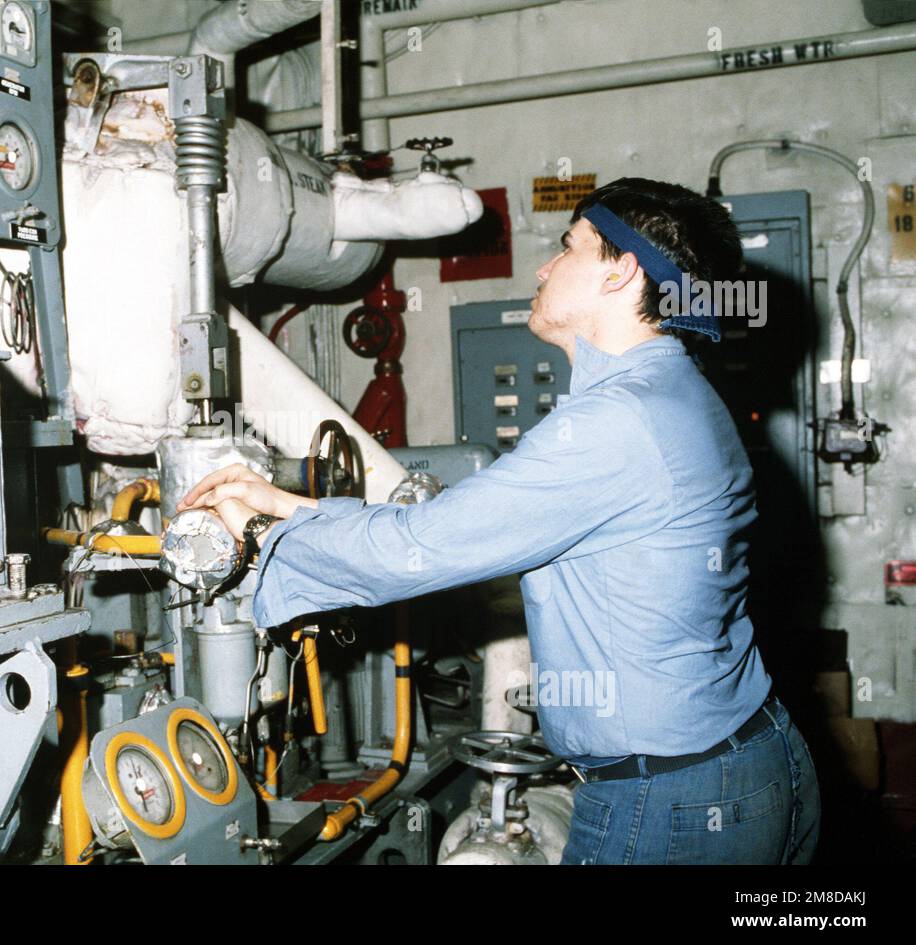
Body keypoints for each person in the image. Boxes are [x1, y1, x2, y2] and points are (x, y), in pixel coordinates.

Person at [177, 177, 820, 865]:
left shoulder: (616, 422)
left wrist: (259, 538)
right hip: (744, 757)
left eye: (567, 248)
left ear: (622, 271)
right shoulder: (676, 394)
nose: (544, 268)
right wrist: (290, 505)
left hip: (673, 799)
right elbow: (464, 523)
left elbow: (421, 547)